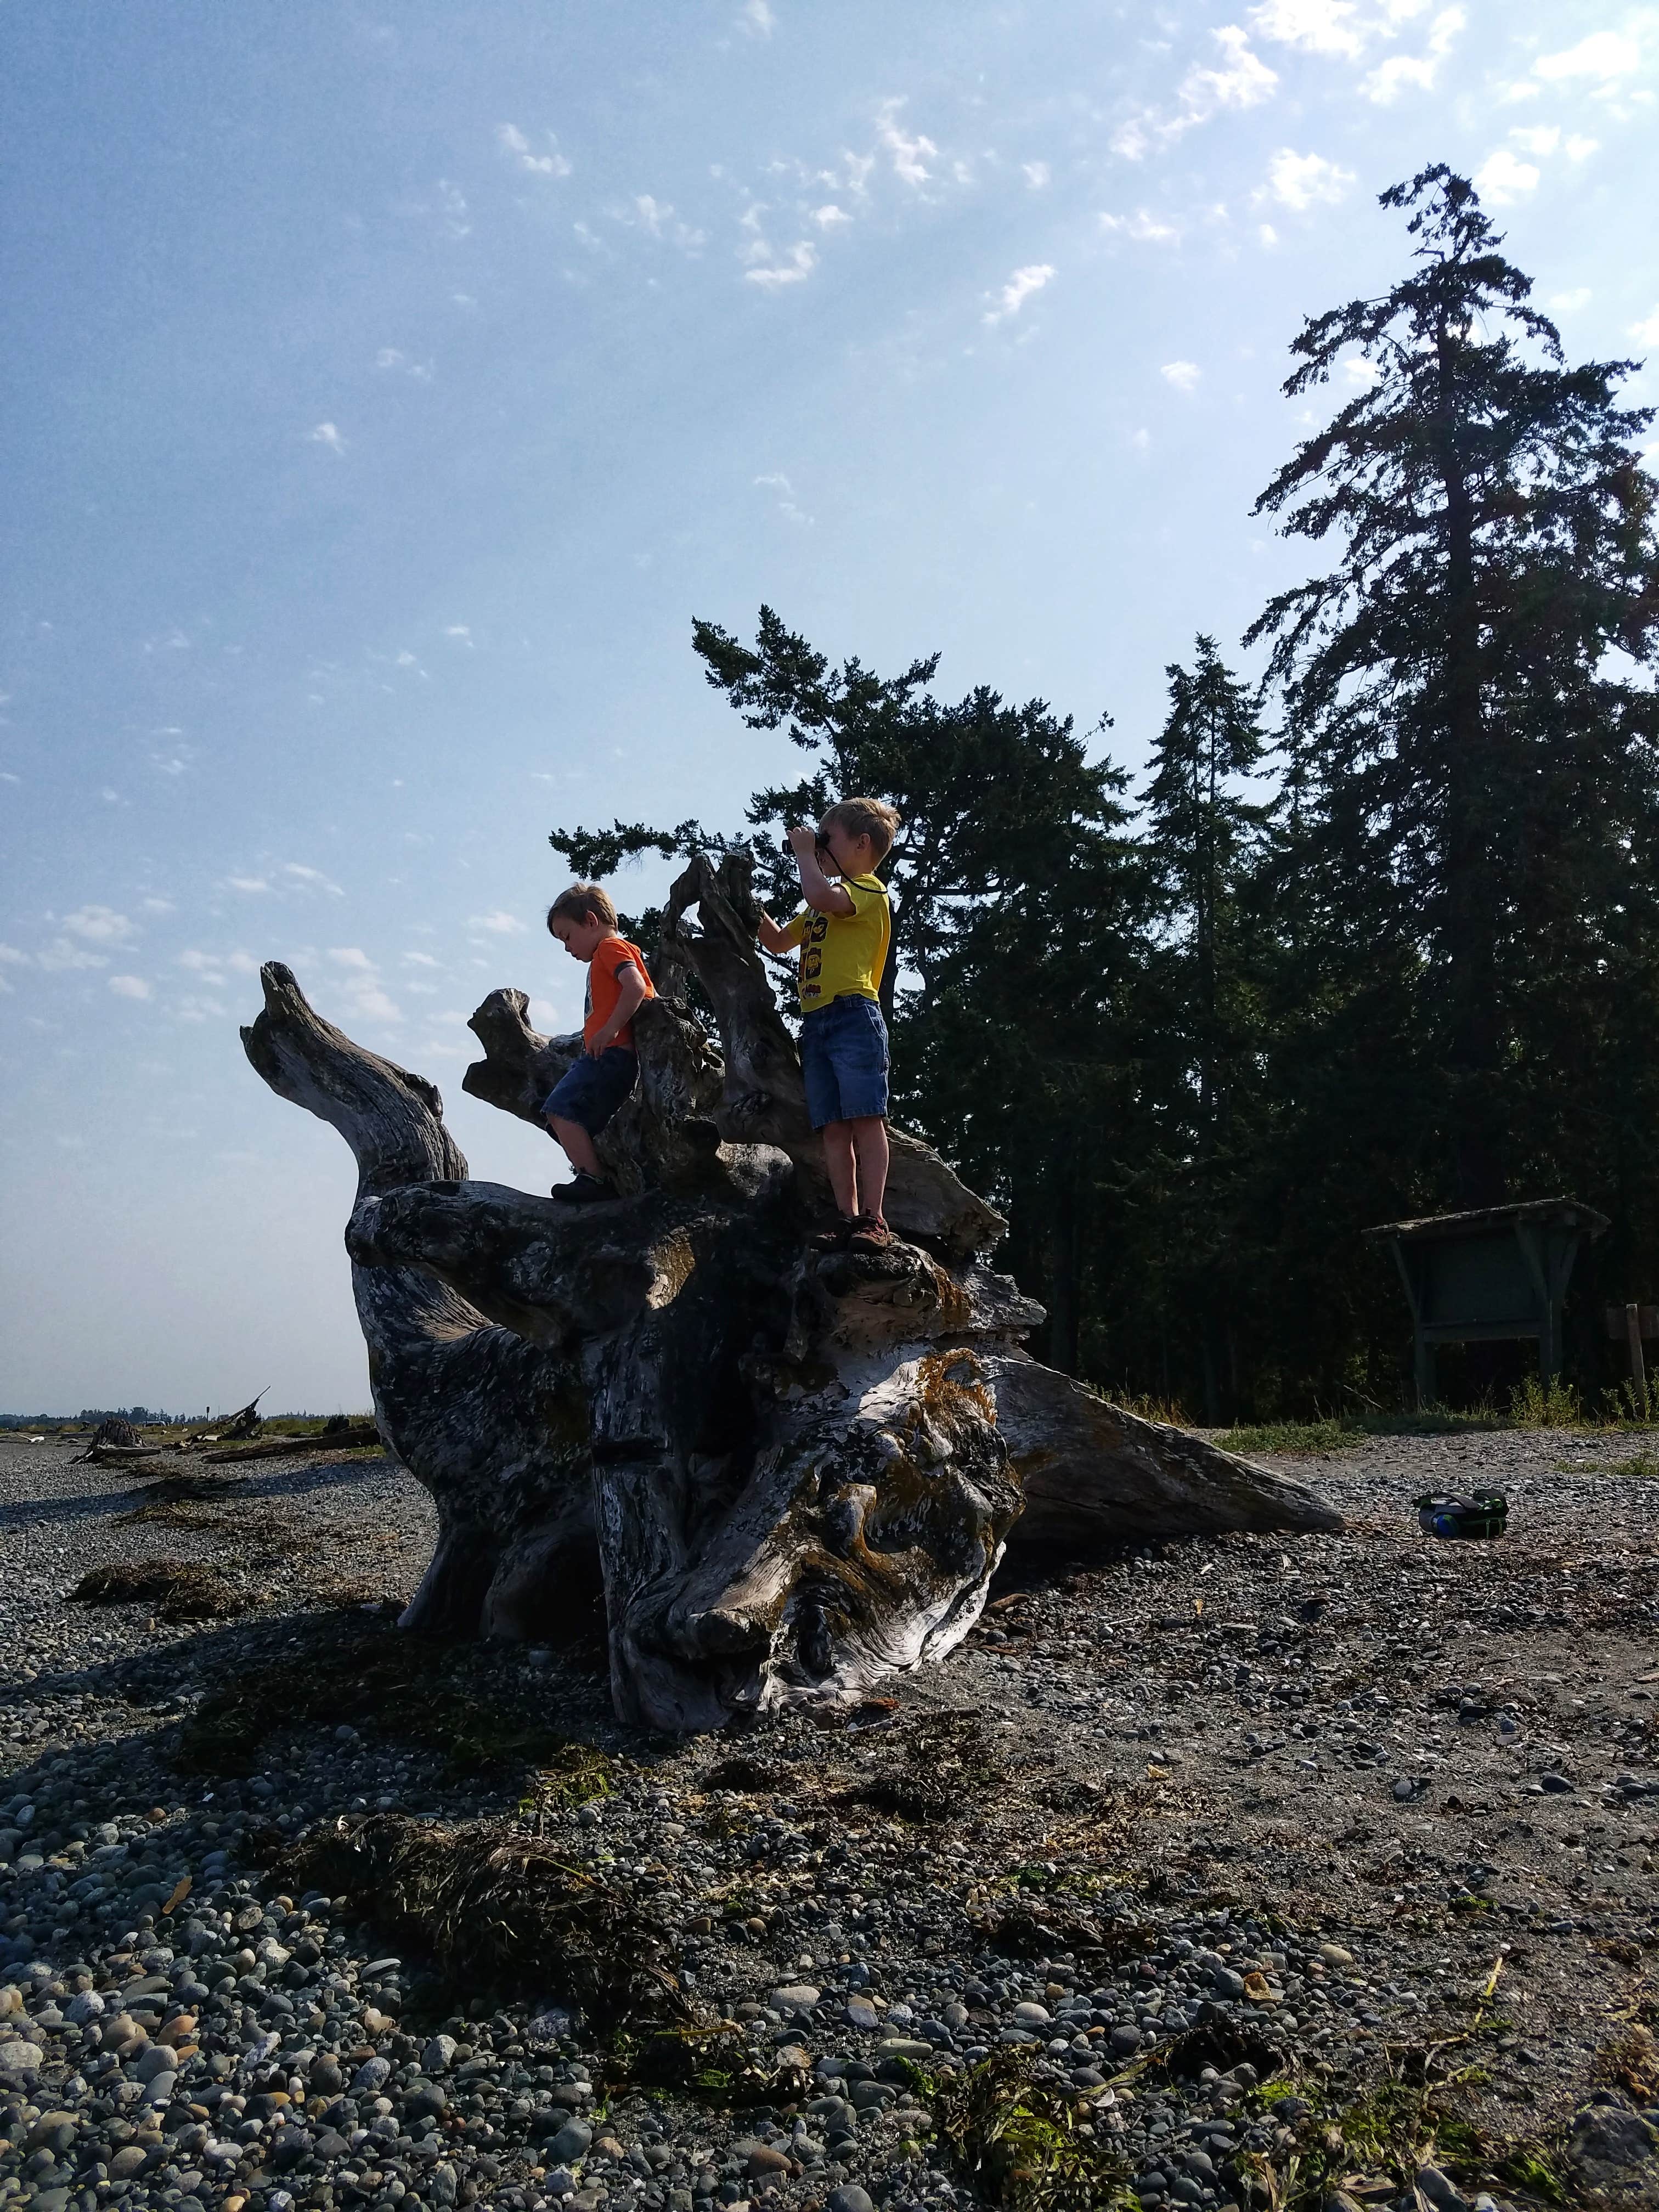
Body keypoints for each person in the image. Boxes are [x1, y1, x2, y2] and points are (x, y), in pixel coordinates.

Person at [757, 796, 901, 1251]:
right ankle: (848, 1217)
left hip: (853, 1014)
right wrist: (745, 904)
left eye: (827, 838)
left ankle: (874, 1218)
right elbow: (780, 941)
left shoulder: (867, 890)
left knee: (865, 1119)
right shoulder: (824, 904)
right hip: (817, 1022)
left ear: (861, 844)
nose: (819, 846)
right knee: (834, 1127)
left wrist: (804, 853)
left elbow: (818, 892)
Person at [542, 882, 655, 1204]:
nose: (567, 947)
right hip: (609, 1057)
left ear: (591, 921)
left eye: (567, 936)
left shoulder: (609, 949)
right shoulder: (614, 952)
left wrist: (609, 1031)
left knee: (560, 1110)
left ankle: (593, 1179)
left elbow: (635, 989)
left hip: (610, 1057)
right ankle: (592, 1170)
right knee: (561, 1116)